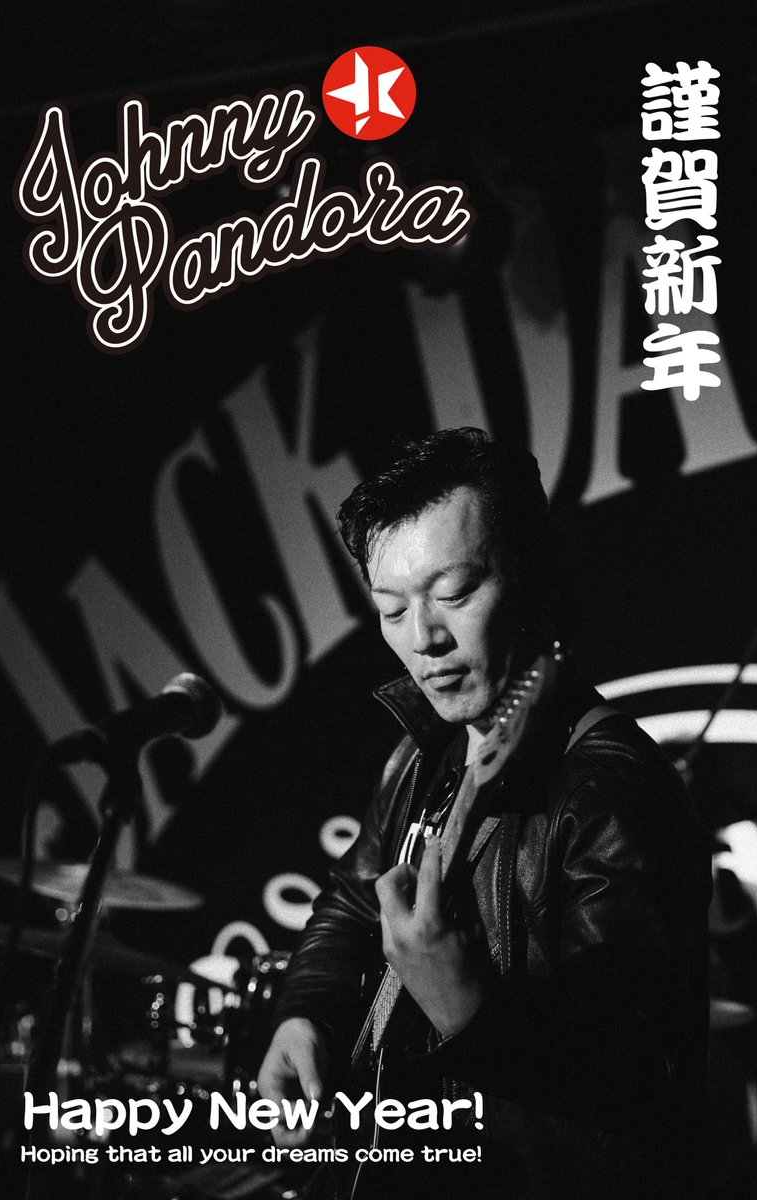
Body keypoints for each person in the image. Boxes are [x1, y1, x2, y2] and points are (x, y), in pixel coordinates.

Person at [257, 428, 710, 1199]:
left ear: (532, 577)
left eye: (455, 594)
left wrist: (467, 1006)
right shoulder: (421, 756)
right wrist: (304, 1016)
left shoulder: (608, 786)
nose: (423, 639)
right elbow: (352, 903)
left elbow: (638, 1066)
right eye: (391, 609)